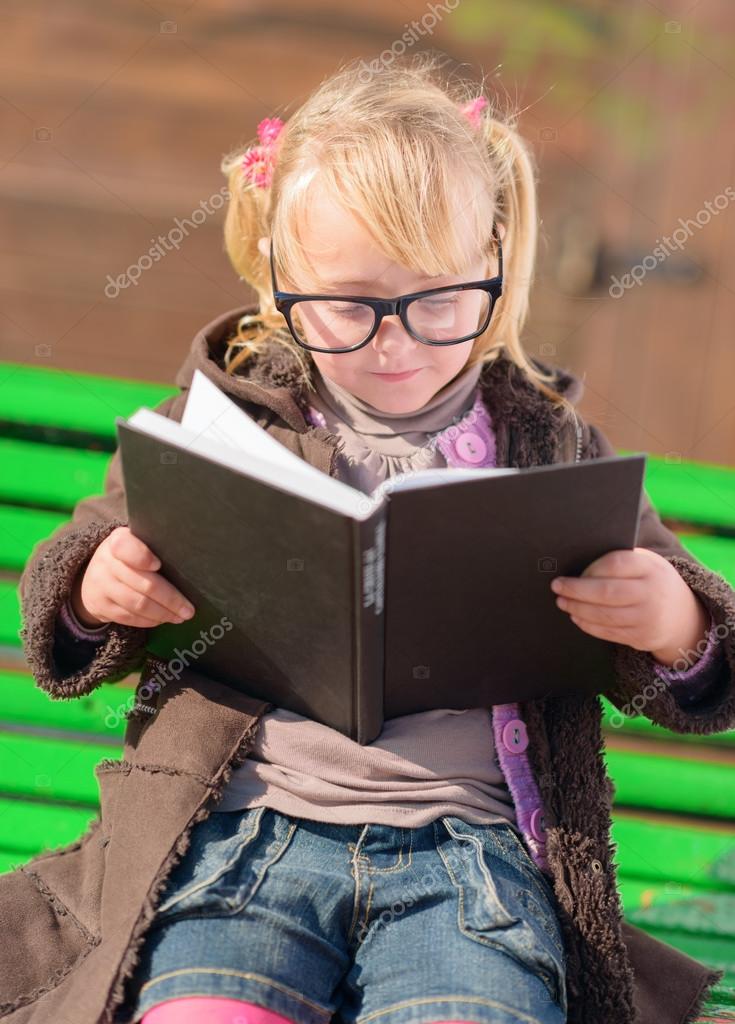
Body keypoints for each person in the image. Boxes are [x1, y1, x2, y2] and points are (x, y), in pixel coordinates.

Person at [10, 52, 735, 1024]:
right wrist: (102, 586)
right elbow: (83, 571)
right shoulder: (226, 424)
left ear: (496, 266)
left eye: (439, 301)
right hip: (242, 839)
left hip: (469, 861)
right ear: (278, 279)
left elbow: (697, 654)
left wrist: (673, 619)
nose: (396, 344)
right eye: (350, 307)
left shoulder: (545, 450)